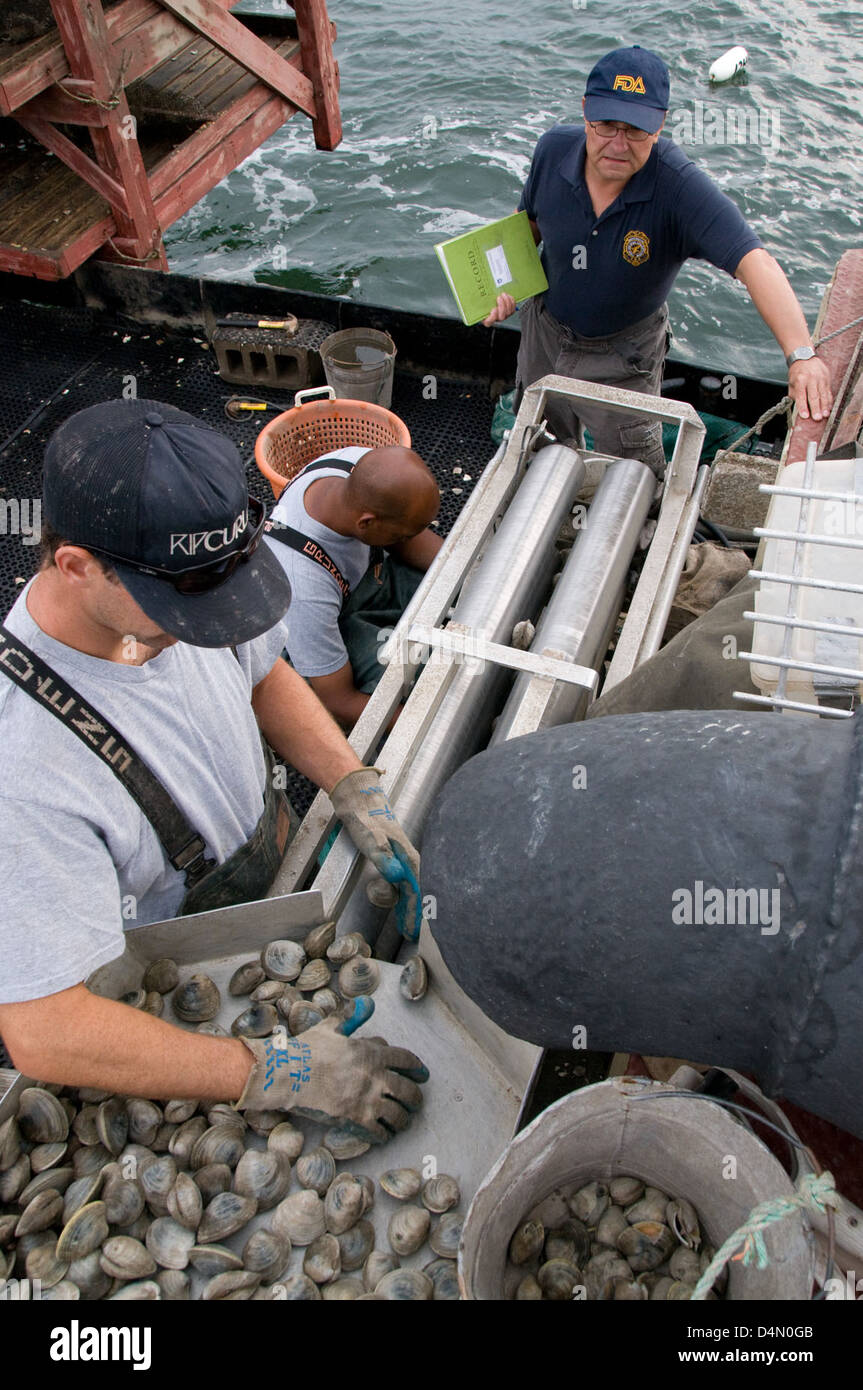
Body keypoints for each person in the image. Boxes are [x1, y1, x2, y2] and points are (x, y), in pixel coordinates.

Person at [0, 399, 427, 1141]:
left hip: (269, 859)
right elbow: (46, 1027)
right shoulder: (23, 768)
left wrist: (351, 783)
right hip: (174, 974)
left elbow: (261, 674)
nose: (209, 628)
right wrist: (277, 1071)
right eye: (187, 610)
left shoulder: (186, 587)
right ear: (76, 565)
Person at [484, 45, 833, 475]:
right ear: (585, 112)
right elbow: (528, 227)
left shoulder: (679, 187)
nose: (617, 143)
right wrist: (503, 286)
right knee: (541, 437)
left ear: (660, 124)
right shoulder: (552, 149)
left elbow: (753, 260)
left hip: (623, 355)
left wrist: (801, 355)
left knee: (631, 470)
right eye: (606, 125)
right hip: (545, 332)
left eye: (635, 130)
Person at [265, 444, 442, 728]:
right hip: (335, 625)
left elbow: (415, 543)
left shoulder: (355, 462)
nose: (410, 537)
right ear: (367, 523)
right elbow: (339, 702)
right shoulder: (303, 587)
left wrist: (472, 575)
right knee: (421, 671)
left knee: (453, 595)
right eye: (402, 534)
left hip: (373, 576)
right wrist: (432, 722)